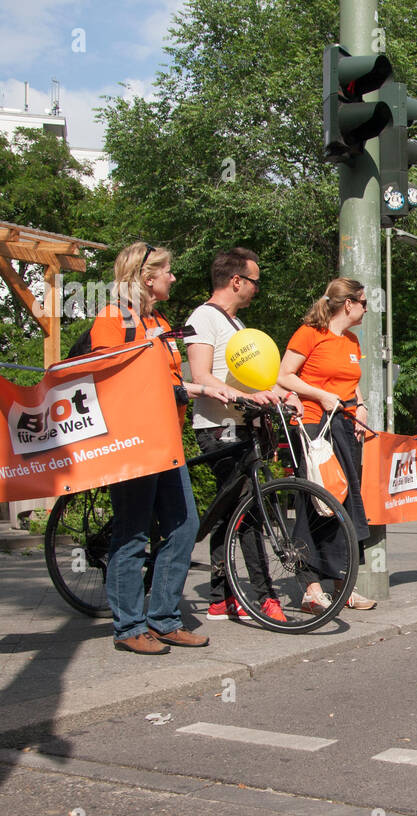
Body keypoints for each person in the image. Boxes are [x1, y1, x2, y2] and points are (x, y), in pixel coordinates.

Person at [90, 242, 225, 655]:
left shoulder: (160, 321)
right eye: (168, 271)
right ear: (148, 278)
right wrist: (185, 388)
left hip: (166, 441)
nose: (173, 277)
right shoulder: (113, 319)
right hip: (133, 443)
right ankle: (129, 627)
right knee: (132, 534)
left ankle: (163, 619)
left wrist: (199, 388)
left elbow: (170, 378)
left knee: (184, 526)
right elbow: (104, 378)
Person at [185, 247, 292, 623]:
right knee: (248, 511)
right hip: (218, 428)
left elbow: (252, 378)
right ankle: (265, 598)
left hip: (243, 426)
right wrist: (247, 398)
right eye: (255, 282)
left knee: (230, 512)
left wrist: (280, 395)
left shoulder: (239, 327)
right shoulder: (203, 318)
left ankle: (219, 598)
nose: (257, 290)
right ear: (236, 281)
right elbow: (201, 376)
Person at [276, 277, 375, 608]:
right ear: (349, 304)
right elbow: (283, 375)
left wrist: (360, 403)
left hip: (344, 427)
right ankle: (310, 588)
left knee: (343, 503)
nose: (366, 309)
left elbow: (350, 382)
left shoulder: (351, 341)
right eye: (364, 302)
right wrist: (320, 395)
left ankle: (341, 585)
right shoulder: (309, 333)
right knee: (317, 502)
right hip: (314, 425)